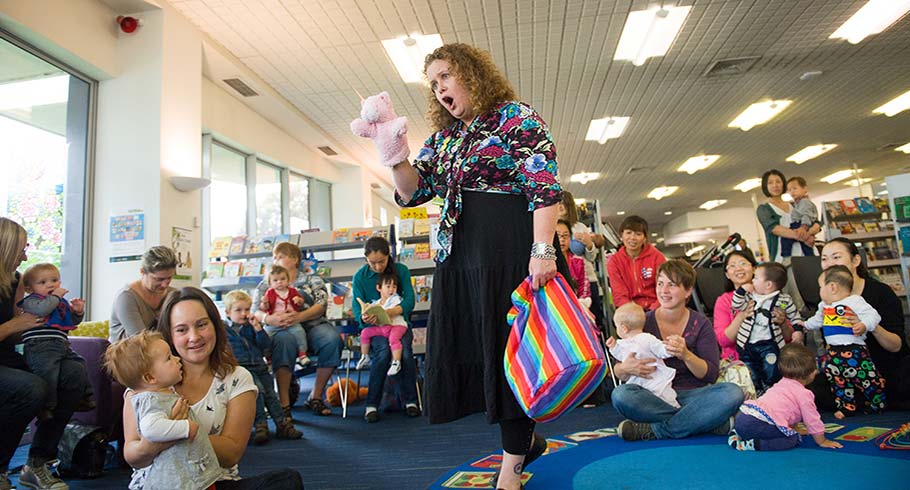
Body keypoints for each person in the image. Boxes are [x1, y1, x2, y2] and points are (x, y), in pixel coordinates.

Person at [355, 43, 564, 489]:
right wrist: (392, 153)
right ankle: (523, 442)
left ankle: (511, 470)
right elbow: (414, 192)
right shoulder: (446, 137)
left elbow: (544, 187)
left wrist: (543, 249)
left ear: (472, 73)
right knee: (480, 352)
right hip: (461, 258)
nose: (440, 88)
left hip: (509, 252)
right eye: (433, 83)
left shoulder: (515, 117)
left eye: (446, 76)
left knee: (510, 353)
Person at [122, 287, 304, 490]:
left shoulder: (237, 378)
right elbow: (133, 456)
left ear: (216, 326)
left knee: (287, 481)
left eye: (201, 325)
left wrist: (174, 431)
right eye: (182, 330)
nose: (194, 337)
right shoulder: (145, 384)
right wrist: (157, 441)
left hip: (216, 482)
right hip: (158, 483)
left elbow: (231, 453)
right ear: (170, 335)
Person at [611, 260, 744, 442]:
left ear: (688, 291)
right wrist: (626, 368)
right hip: (653, 395)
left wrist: (686, 355)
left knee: (732, 393)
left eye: (671, 285)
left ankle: (657, 430)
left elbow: (711, 375)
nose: (663, 291)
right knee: (621, 395)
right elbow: (617, 370)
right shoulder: (643, 321)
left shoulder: (701, 323)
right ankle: (703, 422)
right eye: (660, 283)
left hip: (691, 395)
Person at [0, 217, 78, 490]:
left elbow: (20, 331)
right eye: (21, 248)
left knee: (73, 374)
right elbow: (13, 326)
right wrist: (12, 325)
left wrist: (56, 325)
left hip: (9, 357)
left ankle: (37, 464)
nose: (25, 255)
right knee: (31, 388)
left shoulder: (17, 280)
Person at [104, 331, 222, 490]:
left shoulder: (162, 393)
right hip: (178, 481)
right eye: (169, 358)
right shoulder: (151, 400)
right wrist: (185, 428)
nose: (177, 359)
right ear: (150, 378)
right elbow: (151, 427)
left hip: (189, 474)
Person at [816, 238, 910, 409]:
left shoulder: (880, 292)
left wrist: (868, 325)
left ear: (856, 261)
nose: (829, 264)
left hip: (881, 368)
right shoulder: (827, 298)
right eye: (824, 259)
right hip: (844, 371)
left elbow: (897, 346)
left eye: (836, 257)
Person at [252, 242, 341, 417]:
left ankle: (315, 396)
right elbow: (255, 310)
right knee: (283, 341)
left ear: (294, 259)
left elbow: (321, 305)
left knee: (332, 339)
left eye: (280, 256)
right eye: (274, 257)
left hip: (312, 326)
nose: (275, 260)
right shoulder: (265, 284)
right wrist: (269, 318)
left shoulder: (312, 279)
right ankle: (283, 403)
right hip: (280, 328)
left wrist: (299, 317)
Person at [350, 236, 420, 423]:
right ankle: (372, 405)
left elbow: (409, 301)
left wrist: (389, 312)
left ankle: (411, 401)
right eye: (372, 262)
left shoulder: (401, 271)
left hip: (398, 325)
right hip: (376, 328)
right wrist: (365, 317)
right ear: (365, 258)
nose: (378, 267)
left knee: (404, 353)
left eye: (381, 261)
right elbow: (357, 307)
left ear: (389, 256)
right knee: (381, 354)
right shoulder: (360, 276)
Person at [804, 265, 885, 419]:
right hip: (834, 351)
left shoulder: (854, 301)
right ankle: (846, 406)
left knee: (867, 379)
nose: (819, 291)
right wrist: (806, 325)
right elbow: (817, 320)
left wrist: (863, 325)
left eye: (820, 287)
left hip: (855, 350)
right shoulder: (824, 306)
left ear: (832, 287)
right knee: (837, 381)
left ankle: (877, 402)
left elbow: (873, 316)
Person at [728, 343, 842, 451]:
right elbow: (812, 419)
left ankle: (739, 434)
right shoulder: (804, 394)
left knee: (780, 427)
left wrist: (795, 428)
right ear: (811, 373)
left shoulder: (781, 383)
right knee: (791, 439)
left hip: (742, 419)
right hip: (758, 424)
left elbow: (787, 412)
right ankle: (755, 445)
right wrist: (822, 441)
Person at [223, 290, 301, 443]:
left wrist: (258, 329)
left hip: (260, 366)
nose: (243, 314)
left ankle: (282, 424)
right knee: (257, 393)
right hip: (242, 369)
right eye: (238, 310)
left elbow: (266, 346)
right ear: (227, 313)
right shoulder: (225, 332)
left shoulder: (251, 327)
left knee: (271, 394)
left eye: (246, 309)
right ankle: (260, 425)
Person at [18, 262, 94, 417]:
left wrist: (78, 313)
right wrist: (57, 296)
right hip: (40, 344)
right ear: (29, 288)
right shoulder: (31, 301)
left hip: (61, 343)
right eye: (43, 282)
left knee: (79, 363)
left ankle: (83, 397)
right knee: (47, 372)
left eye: (54, 280)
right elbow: (43, 309)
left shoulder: (59, 302)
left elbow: (69, 322)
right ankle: (46, 406)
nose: (50, 285)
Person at [730, 262, 802, 393]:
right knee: (750, 371)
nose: (752, 280)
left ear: (768, 285)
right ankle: (756, 390)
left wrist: (798, 331)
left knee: (772, 370)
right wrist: (741, 291)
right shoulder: (750, 296)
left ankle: (772, 390)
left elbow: (795, 316)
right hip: (747, 344)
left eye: (756, 278)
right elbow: (736, 305)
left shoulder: (784, 300)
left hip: (770, 344)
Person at [606, 303, 678, 408]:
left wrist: (669, 348)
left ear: (624, 328)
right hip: (638, 382)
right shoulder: (622, 343)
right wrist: (613, 347)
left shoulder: (646, 338)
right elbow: (620, 355)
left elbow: (660, 349)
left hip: (655, 379)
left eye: (616, 326)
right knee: (642, 401)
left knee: (666, 398)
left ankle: (674, 411)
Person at [109, 245, 178, 342]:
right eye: (159, 279)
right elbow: (141, 340)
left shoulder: (172, 294)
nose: (165, 285)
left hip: (160, 352)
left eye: (169, 278)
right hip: (129, 354)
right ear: (142, 272)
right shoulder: (126, 297)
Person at [558, 191, 605, 325]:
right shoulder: (549, 228)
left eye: (564, 204)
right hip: (563, 278)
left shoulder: (580, 227)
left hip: (587, 278)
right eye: (558, 203)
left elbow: (591, 257)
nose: (560, 207)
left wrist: (589, 243)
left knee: (593, 319)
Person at [756, 169, 819, 263]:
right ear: (765, 186)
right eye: (770, 183)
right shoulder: (764, 209)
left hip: (808, 253)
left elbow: (816, 223)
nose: (775, 185)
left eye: (778, 181)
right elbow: (775, 229)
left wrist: (809, 233)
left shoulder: (796, 204)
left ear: (783, 184)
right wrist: (805, 237)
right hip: (783, 259)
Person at [607, 215, 666, 311]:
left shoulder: (657, 257)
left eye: (638, 234)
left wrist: (653, 310)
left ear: (644, 238)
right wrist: (634, 312)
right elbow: (619, 294)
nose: (632, 238)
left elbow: (664, 289)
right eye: (628, 233)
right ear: (621, 235)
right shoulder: (614, 261)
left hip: (657, 308)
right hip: (629, 310)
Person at [355, 272, 409, 378]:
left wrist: (383, 311)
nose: (391, 289)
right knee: (365, 333)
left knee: (393, 339)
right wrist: (367, 315)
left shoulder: (396, 299)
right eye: (388, 286)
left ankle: (396, 362)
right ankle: (364, 355)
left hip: (397, 326)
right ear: (379, 288)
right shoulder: (377, 303)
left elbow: (390, 310)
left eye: (394, 286)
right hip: (384, 328)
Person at [259, 265, 311, 368]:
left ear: (288, 280)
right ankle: (267, 356)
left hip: (290, 320)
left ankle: (302, 353)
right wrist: (264, 303)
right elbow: (264, 308)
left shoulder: (292, 291)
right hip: (274, 322)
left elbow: (301, 303)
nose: (279, 282)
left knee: (299, 332)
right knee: (266, 336)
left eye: (283, 279)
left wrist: (298, 301)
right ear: (270, 283)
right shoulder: (269, 293)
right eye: (275, 280)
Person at [714, 250, 759, 361]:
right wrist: (741, 316)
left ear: (754, 269)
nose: (739, 269)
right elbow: (723, 341)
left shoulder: (767, 294)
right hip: (738, 360)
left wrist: (782, 322)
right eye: (732, 266)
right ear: (727, 274)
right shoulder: (723, 301)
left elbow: (788, 336)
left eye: (743, 263)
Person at [782, 177, 818, 258]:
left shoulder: (804, 202)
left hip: (800, 224)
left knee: (785, 239)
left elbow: (807, 215)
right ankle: (810, 257)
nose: (792, 192)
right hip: (802, 224)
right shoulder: (797, 203)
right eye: (790, 190)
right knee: (806, 246)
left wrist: (803, 227)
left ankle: (786, 256)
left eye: (795, 188)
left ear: (805, 189)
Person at [556, 219, 590, 305]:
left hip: (575, 306)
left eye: (565, 236)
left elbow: (584, 288)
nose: (562, 239)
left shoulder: (578, 261)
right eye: (557, 235)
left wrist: (582, 304)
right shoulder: (545, 263)